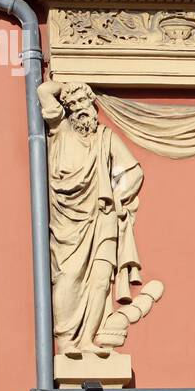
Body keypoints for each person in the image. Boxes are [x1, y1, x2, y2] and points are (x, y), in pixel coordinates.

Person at [39, 80, 145, 356]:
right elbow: (42, 92)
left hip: (102, 216)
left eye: (84, 103)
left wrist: (119, 197)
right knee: (69, 275)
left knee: (100, 278)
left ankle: (87, 338)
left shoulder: (105, 138)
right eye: (74, 105)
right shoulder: (60, 131)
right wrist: (64, 86)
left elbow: (133, 171)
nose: (80, 110)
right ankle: (66, 341)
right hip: (68, 221)